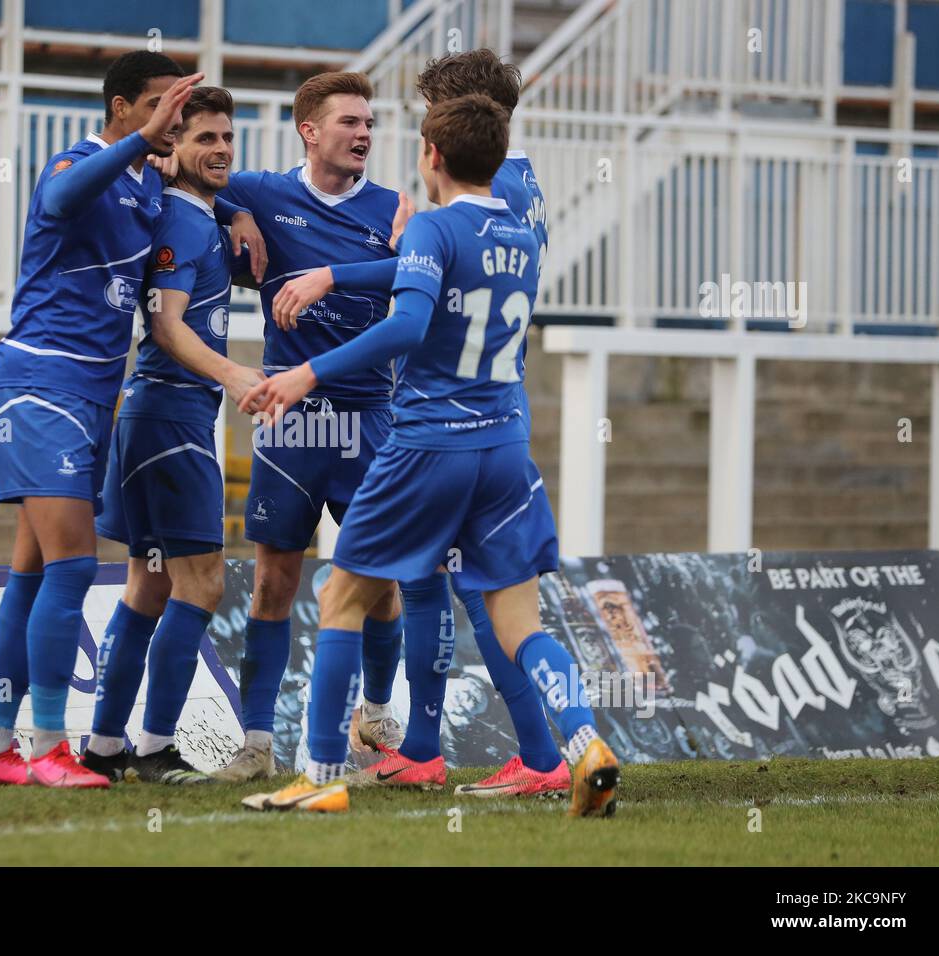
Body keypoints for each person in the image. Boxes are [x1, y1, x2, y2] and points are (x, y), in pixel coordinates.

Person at [239, 94, 619, 818]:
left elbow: (409, 323)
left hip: (429, 443)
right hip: (505, 446)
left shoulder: (433, 227)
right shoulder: (526, 232)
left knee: (339, 597)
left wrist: (304, 373)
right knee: (521, 625)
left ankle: (319, 774)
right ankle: (586, 747)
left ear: (432, 156)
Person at [0, 53, 221, 789]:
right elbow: (65, 197)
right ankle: (48, 747)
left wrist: (235, 219)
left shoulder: (148, 187)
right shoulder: (78, 162)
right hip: (40, 385)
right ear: (119, 109)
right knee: (75, 565)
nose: (169, 121)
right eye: (156, 106)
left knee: (31, 574)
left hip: (91, 397)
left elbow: (186, 228)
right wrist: (143, 142)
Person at [209, 72, 408, 783]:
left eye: (369, 123)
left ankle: (378, 717)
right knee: (273, 582)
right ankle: (257, 742)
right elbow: (186, 170)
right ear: (309, 130)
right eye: (349, 122)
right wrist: (232, 215)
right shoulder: (262, 192)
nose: (364, 134)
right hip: (290, 425)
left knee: (379, 583)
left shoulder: (393, 208)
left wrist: (339, 271)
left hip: (367, 418)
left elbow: (414, 276)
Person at [80, 87, 265, 785]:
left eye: (226, 138)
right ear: (170, 146)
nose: (220, 151)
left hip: (151, 415)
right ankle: (155, 748)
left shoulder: (189, 212)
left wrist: (240, 205)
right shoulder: (184, 226)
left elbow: (222, 187)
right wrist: (235, 376)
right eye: (204, 139)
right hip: (175, 416)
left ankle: (104, 748)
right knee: (204, 584)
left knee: (149, 584)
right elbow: (165, 326)